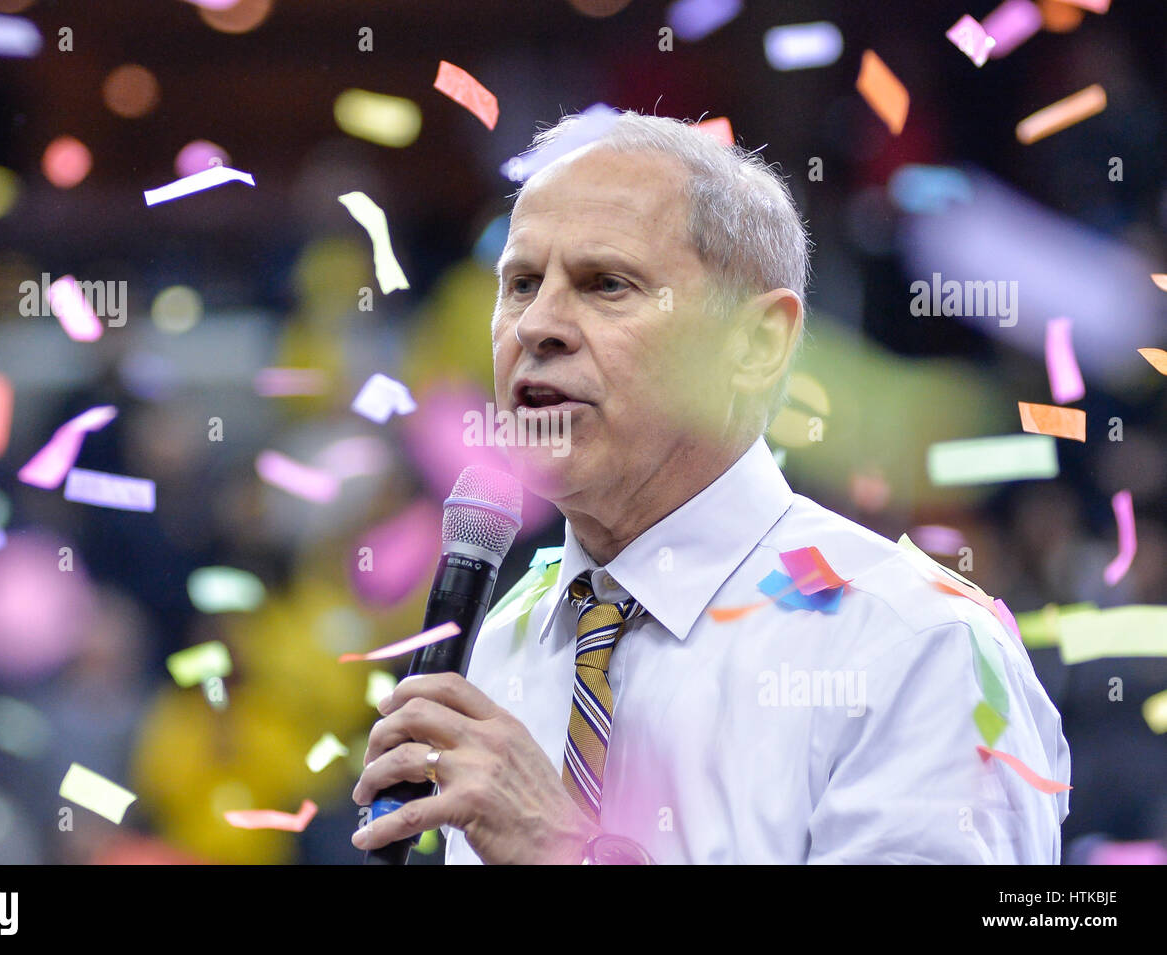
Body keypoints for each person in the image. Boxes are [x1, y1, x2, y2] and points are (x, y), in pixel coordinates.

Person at [351, 109, 1070, 864]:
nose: (537, 325)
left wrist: (563, 848)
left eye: (606, 284)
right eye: (521, 283)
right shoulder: (497, 648)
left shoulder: (917, 648)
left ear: (755, 344)